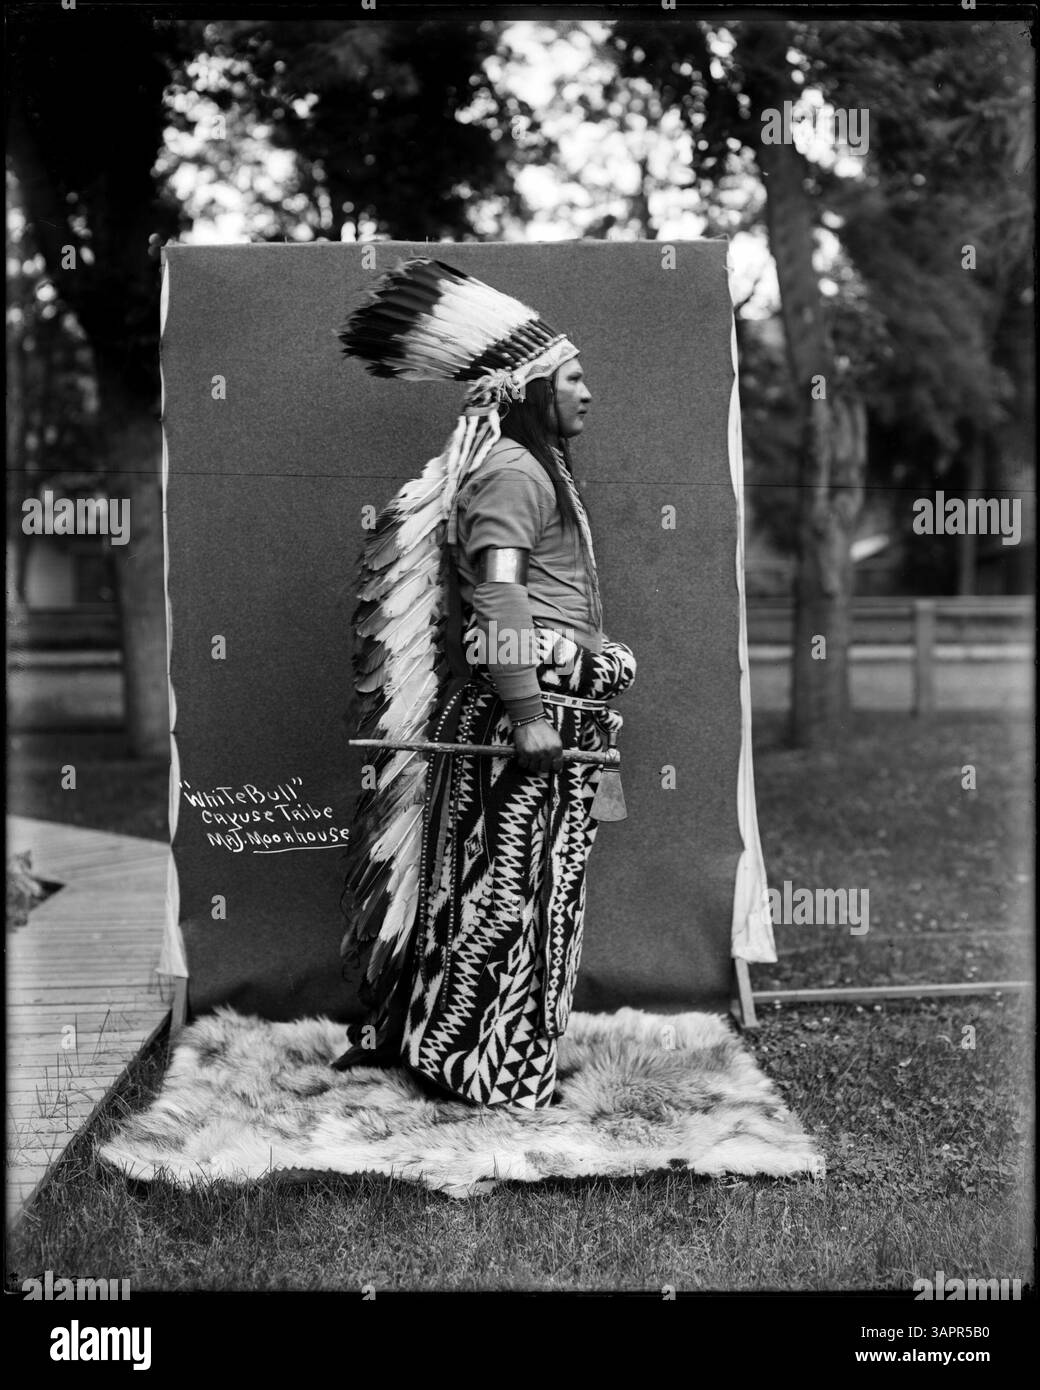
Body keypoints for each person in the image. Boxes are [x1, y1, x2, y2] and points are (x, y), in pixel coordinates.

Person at [331, 258, 636, 1108]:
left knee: (523, 892)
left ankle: (468, 1059)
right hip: (528, 716)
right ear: (529, 389)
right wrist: (529, 713)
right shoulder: (512, 471)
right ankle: (485, 1072)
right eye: (572, 379)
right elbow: (499, 594)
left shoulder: (531, 467)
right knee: (512, 897)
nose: (587, 393)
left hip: (547, 707)